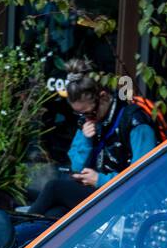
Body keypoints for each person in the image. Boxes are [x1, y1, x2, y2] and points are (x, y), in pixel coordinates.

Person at [25, 59, 159, 218]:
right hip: (101, 193)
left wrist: (99, 180)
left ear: (103, 97)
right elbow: (76, 167)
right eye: (79, 114)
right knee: (55, 213)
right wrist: (86, 140)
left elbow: (142, 176)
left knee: (54, 188)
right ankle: (27, 231)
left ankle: (21, 228)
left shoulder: (135, 122)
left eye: (89, 112)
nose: (86, 118)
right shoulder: (88, 120)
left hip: (128, 198)